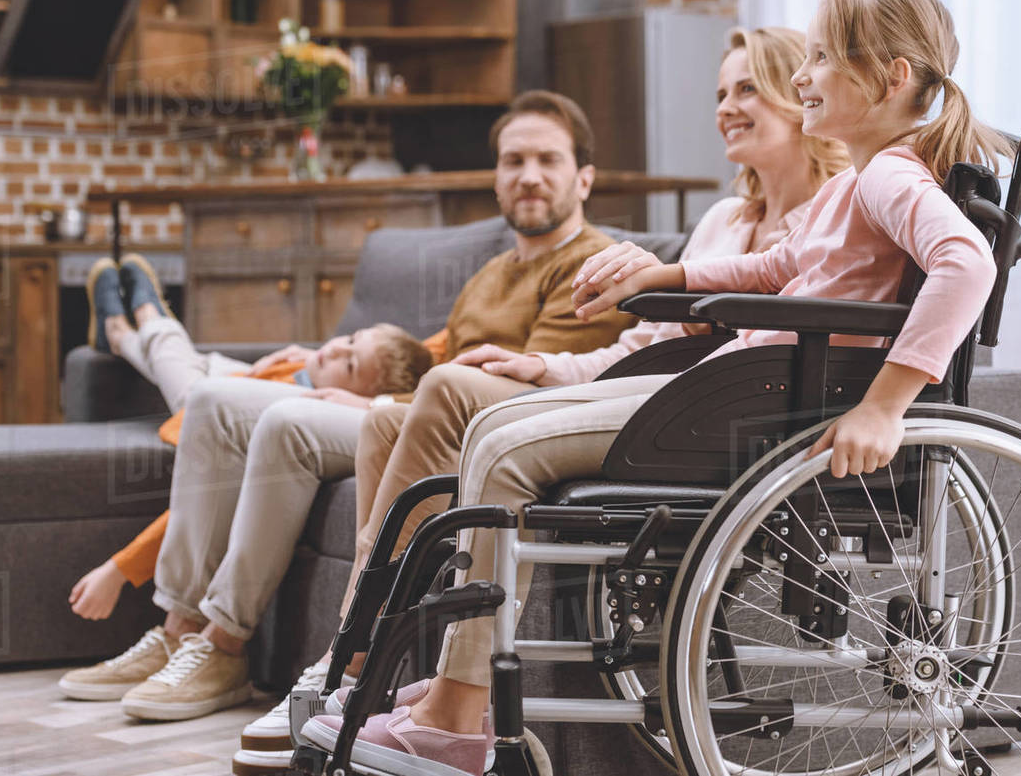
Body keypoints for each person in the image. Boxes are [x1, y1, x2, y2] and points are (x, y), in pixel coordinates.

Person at [302, 0, 1009, 776]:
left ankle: (459, 714)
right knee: (489, 428)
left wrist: (886, 405)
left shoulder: (889, 179)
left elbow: (966, 265)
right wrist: (668, 270)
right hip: (745, 389)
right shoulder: (858, 179)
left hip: (768, 409)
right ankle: (453, 693)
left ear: (886, 79)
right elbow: (778, 265)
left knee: (504, 452)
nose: (802, 75)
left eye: (817, 58)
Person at [230, 25, 851, 773]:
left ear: (798, 93)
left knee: (471, 410)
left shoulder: (835, 213)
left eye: (747, 87)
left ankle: (378, 667)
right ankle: (369, 652)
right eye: (721, 91)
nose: (726, 106)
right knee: (414, 414)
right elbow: (636, 349)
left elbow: (779, 333)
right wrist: (544, 367)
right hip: (662, 393)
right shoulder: (721, 222)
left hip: (724, 415)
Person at [58, 90, 636, 723]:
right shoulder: (494, 270)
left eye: (547, 160)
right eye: (513, 160)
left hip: (463, 429)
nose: (528, 176)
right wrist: (346, 369)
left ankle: (226, 645)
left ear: (583, 177)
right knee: (215, 402)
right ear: (495, 175)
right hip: (416, 410)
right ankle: (179, 627)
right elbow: (443, 353)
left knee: (284, 424)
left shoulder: (590, 266)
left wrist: (383, 397)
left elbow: (515, 395)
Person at [67, 252, 433, 621]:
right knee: (189, 369)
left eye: (350, 365)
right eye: (350, 339)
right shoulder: (304, 364)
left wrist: (121, 568)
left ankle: (138, 323)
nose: (336, 348)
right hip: (247, 377)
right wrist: (306, 359)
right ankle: (128, 331)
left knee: (195, 387)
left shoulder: (295, 417)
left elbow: (207, 499)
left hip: (232, 397)